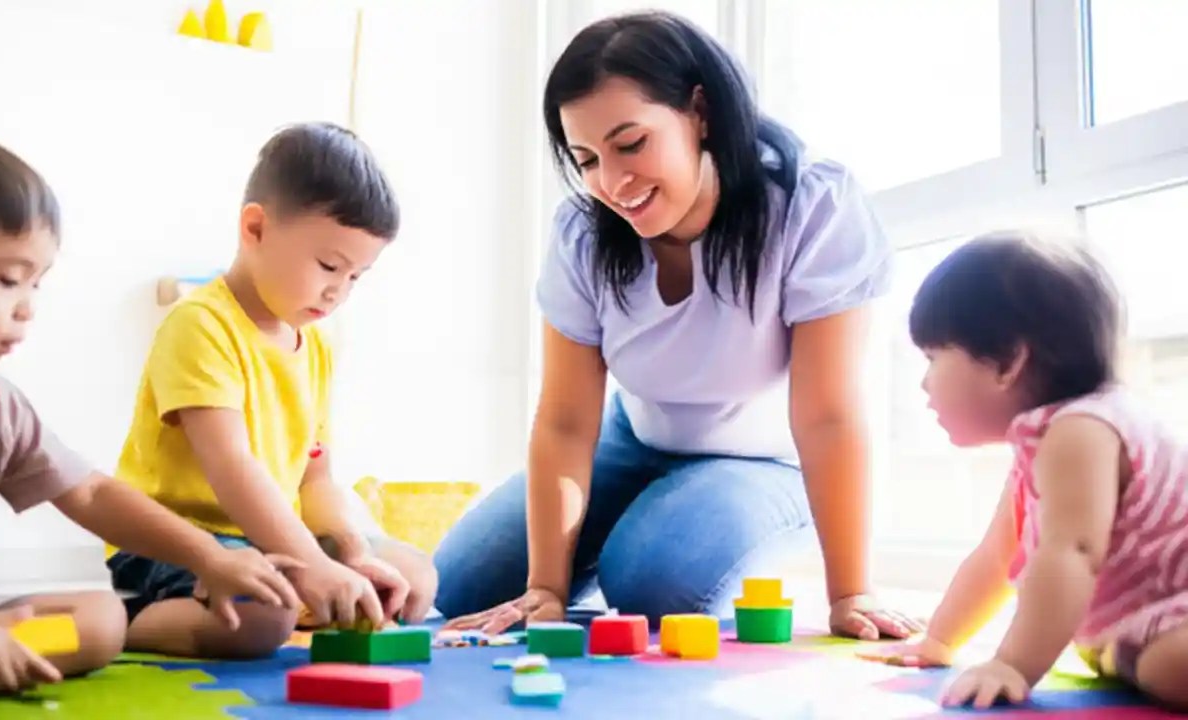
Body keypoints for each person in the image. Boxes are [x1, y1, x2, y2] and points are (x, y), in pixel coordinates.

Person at [434, 11, 918, 640]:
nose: (612, 183)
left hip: (765, 459)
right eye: (585, 159)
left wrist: (851, 592)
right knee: (466, 581)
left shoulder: (810, 206)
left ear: (700, 112)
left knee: (656, 584)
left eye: (631, 144)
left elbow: (827, 418)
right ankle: (625, 530)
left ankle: (701, 528)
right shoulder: (582, 236)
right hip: (634, 440)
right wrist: (545, 589)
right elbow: (565, 421)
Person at [0, 126, 302, 699]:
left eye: (37, 284)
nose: (27, 309)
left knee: (98, 620)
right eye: (8, 280)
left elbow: (90, 494)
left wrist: (209, 557)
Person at [107, 122, 438, 660]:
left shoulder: (316, 345)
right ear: (256, 228)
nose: (338, 290)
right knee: (264, 617)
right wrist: (310, 563)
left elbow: (316, 477)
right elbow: (232, 468)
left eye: (357, 276)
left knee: (413, 573)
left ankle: (298, 589)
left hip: (268, 541)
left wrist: (352, 553)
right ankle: (123, 624)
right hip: (176, 541)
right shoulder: (201, 324)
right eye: (329, 265)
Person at [860, 232, 1188, 711]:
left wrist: (1012, 663)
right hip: (1142, 628)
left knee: (1171, 668)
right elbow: (997, 557)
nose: (924, 383)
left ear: (1008, 361)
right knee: (1145, 664)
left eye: (933, 358)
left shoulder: (1083, 429)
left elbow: (1072, 553)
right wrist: (940, 640)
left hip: (1173, 613)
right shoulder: (1040, 448)